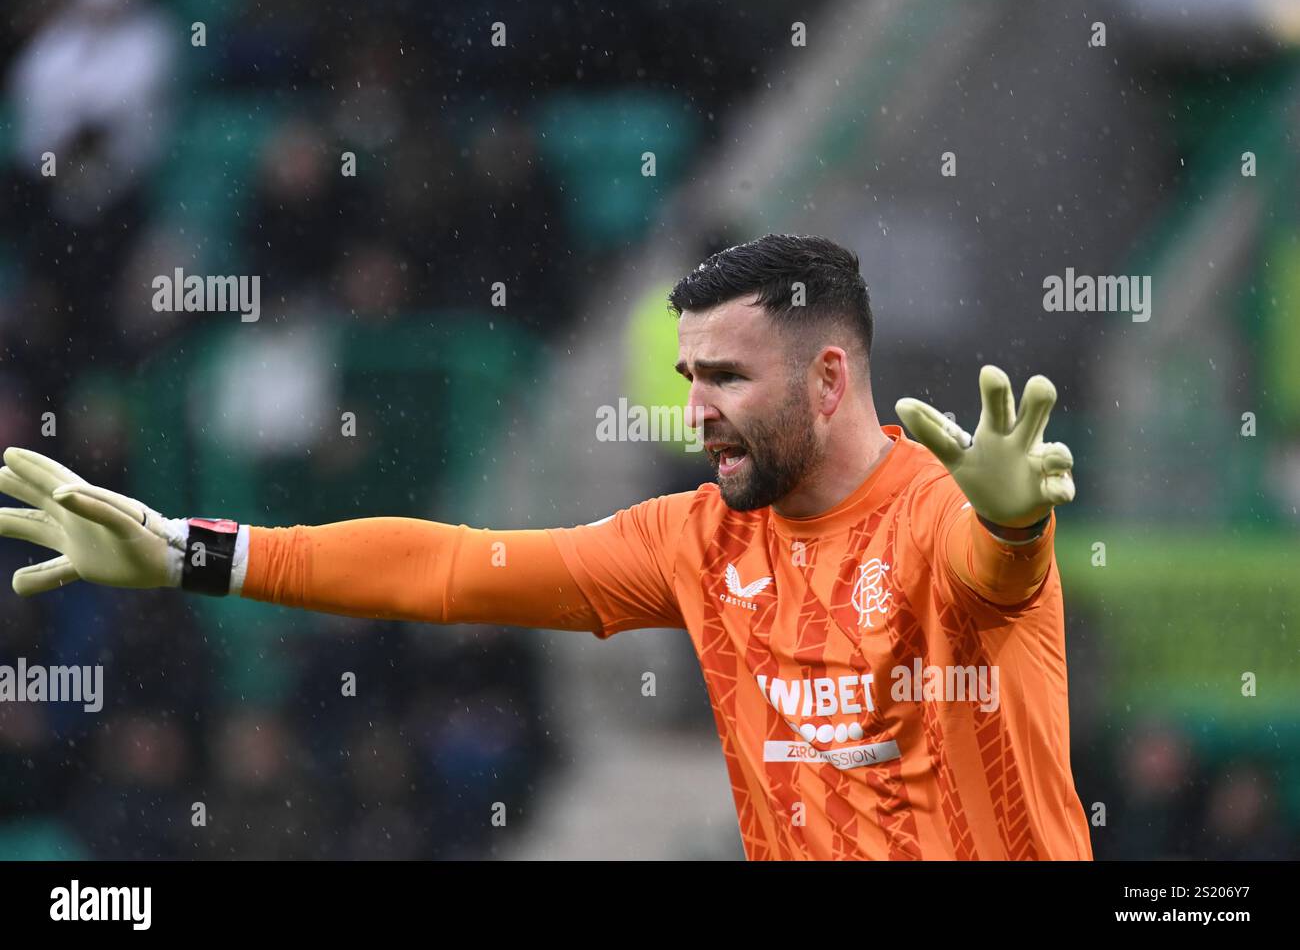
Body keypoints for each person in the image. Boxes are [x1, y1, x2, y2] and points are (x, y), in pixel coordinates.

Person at [0, 233, 1090, 860]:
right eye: (687, 377)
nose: (696, 411)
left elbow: (991, 570)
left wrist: (1010, 518)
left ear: (829, 380)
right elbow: (449, 568)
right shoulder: (693, 539)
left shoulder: (940, 517)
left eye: (727, 378)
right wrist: (195, 551)